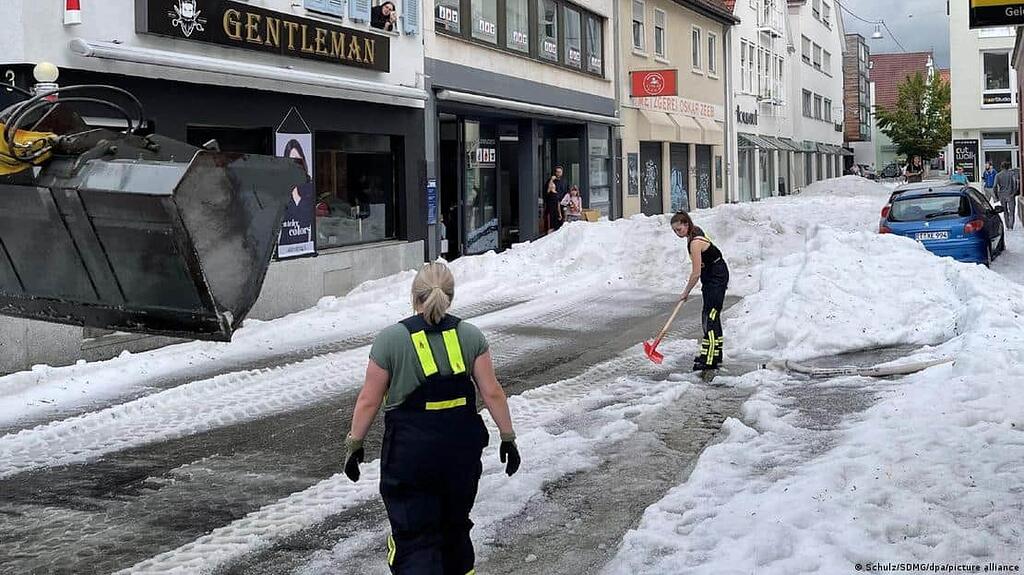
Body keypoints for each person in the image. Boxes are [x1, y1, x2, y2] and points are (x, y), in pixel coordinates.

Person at [343, 262, 520, 574]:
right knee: (455, 530)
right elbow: (492, 392)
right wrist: (508, 438)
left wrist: (354, 444)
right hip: (460, 457)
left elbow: (369, 400)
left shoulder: (391, 340)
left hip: (410, 457)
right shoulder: (471, 336)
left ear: (415, 297)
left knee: (414, 539)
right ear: (450, 297)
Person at [671, 212, 729, 372]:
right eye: (675, 231)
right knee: (710, 315)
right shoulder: (695, 233)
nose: (678, 233)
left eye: (679, 229)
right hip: (712, 275)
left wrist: (686, 292)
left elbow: (695, 272)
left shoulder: (695, 242)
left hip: (716, 276)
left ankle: (710, 360)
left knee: (710, 316)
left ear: (686, 224)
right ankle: (714, 355)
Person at [995, 161, 1019, 230]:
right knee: (1012, 211)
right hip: (1010, 195)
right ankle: (1011, 226)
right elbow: (1015, 184)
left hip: (1002, 195)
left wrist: (996, 195)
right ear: (1008, 167)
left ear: (1001, 167)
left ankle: (1007, 225)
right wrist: (1014, 193)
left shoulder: (998, 175)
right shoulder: (1012, 174)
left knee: (1005, 211)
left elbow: (994, 186)